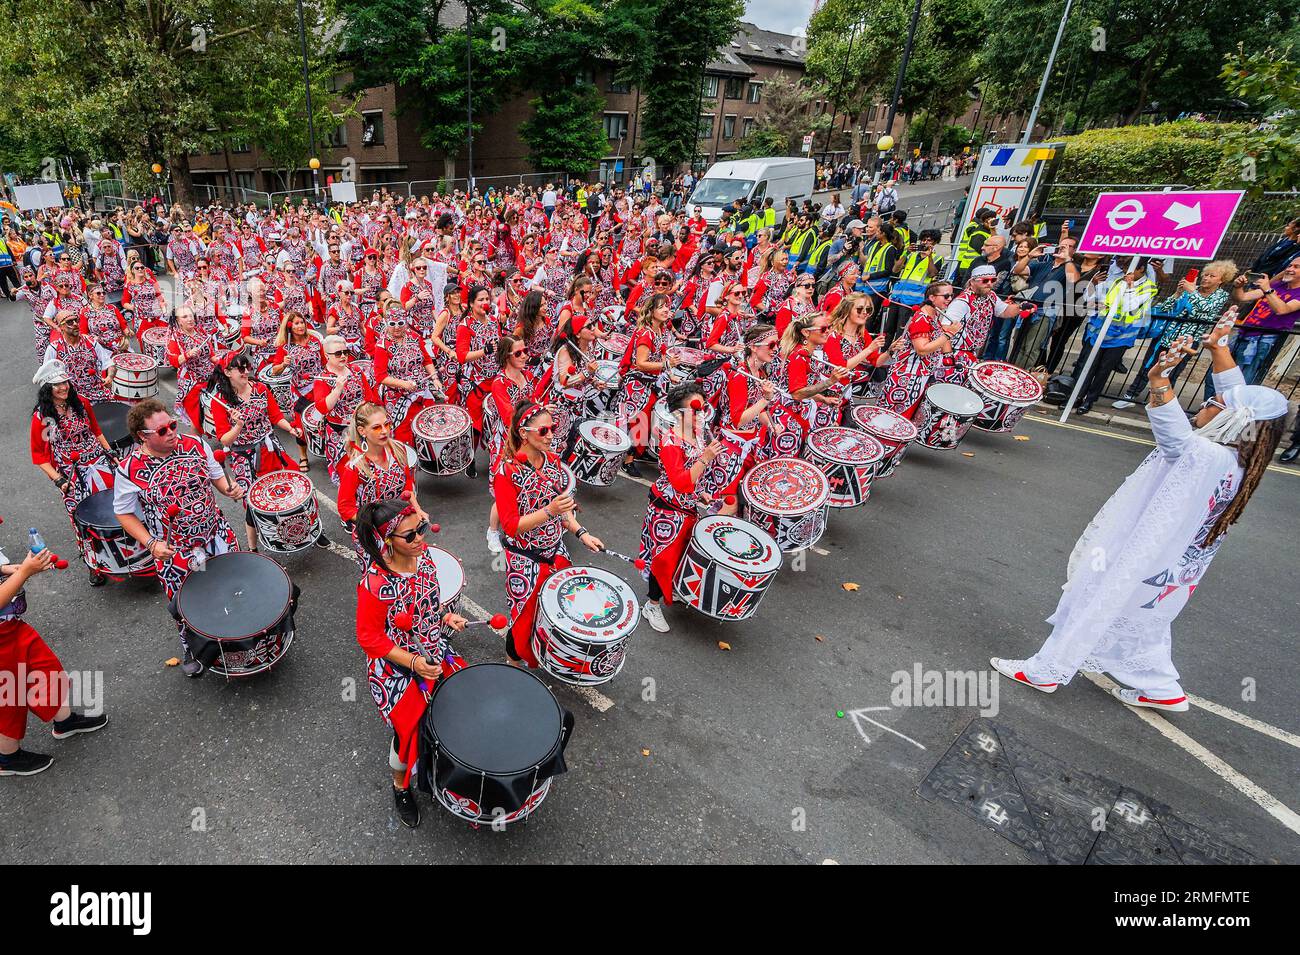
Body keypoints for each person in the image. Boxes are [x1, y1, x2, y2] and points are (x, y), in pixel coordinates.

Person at [992, 320, 1291, 710]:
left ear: (1232, 420)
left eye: (1214, 405)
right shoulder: (1240, 454)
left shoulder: (1209, 456)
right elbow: (1235, 396)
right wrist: (1219, 347)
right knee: (1143, 624)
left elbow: (1175, 439)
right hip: (1172, 570)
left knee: (1097, 601)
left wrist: (1158, 380)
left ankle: (1046, 670)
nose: (1204, 405)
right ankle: (1161, 689)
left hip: (1142, 556)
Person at [354, 498, 469, 827]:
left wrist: (448, 617)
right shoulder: (374, 586)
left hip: (432, 650)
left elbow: (430, 606)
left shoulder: (425, 558)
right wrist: (414, 662)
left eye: (420, 528)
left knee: (455, 706)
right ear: (386, 541)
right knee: (408, 733)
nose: (420, 537)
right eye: (410, 535)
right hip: (395, 668)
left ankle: (439, 767)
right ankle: (400, 787)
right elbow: (370, 639)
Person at [113, 398, 245, 677]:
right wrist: (151, 543)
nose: (172, 431)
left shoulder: (196, 444)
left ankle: (238, 636)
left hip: (214, 534)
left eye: (172, 425)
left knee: (234, 587)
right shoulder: (129, 469)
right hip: (176, 551)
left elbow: (216, 475)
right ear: (142, 437)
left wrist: (228, 490)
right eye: (162, 431)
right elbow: (124, 514)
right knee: (188, 605)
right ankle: (194, 648)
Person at [492, 400, 603, 665]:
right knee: (523, 617)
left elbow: (563, 508)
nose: (551, 435)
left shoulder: (553, 462)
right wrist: (550, 511)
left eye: (552, 428)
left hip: (555, 550)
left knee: (557, 608)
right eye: (543, 431)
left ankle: (549, 655)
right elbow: (511, 526)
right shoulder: (506, 472)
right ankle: (513, 662)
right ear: (523, 433)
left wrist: (580, 532)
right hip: (524, 558)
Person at [0, 543, 109, 777]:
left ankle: (65, 721)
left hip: (13, 627)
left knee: (47, 671)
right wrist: (24, 572)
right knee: (9, 699)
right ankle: (7, 758)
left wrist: (11, 569)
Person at [638, 382, 724, 633]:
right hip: (667, 510)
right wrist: (706, 458)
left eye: (703, 407)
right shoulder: (670, 441)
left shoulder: (698, 434)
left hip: (687, 507)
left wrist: (702, 493)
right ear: (678, 413)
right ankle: (651, 605)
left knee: (679, 556)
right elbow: (680, 482)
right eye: (695, 409)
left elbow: (692, 481)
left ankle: (667, 591)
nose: (701, 413)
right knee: (663, 560)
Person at [208, 349, 306, 551]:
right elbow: (224, 440)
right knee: (252, 502)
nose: (245, 371)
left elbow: (275, 415)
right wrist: (238, 426)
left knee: (294, 486)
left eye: (247, 367)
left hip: (270, 448)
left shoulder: (260, 388)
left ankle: (311, 530)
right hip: (245, 457)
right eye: (240, 368)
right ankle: (252, 549)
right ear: (227, 372)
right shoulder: (220, 401)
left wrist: (291, 428)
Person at [29, 360, 118, 585]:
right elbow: (40, 456)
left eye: (65, 382)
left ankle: (128, 556)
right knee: (83, 520)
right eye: (57, 384)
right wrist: (59, 480)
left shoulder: (81, 404)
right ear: (47, 389)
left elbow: (97, 431)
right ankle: (94, 564)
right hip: (72, 474)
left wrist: (111, 455)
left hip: (99, 463)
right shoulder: (44, 419)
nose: (63, 387)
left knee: (117, 507)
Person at [337, 403, 423, 557]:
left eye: (387, 424)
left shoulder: (398, 450)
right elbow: (345, 507)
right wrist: (374, 523)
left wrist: (417, 508)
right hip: (372, 532)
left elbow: (408, 484)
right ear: (362, 431)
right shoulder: (355, 467)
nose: (384, 431)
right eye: (376, 427)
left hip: (400, 528)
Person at [879, 281, 960, 418]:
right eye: (946, 296)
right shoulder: (922, 319)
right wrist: (949, 334)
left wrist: (950, 359)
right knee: (893, 420)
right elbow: (922, 349)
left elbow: (939, 340)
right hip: (908, 378)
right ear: (932, 297)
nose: (950, 299)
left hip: (919, 377)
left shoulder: (933, 316)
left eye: (952, 295)